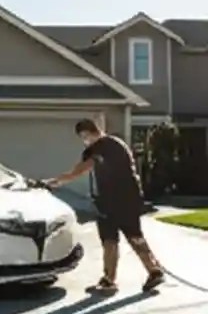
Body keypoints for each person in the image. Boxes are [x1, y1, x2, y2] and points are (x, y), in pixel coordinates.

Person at [46, 119, 165, 293]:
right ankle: (154, 270)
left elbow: (79, 170)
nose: (84, 140)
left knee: (110, 240)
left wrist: (56, 181)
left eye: (85, 136)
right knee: (134, 236)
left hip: (112, 201)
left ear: (91, 132)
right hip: (130, 198)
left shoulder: (99, 149)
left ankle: (110, 280)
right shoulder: (117, 144)